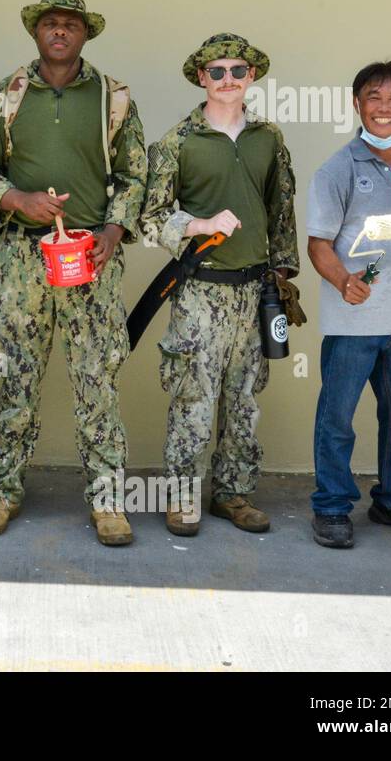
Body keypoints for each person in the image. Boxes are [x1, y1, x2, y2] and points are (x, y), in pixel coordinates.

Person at [0, 0, 147, 546]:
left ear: (86, 34)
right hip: (22, 256)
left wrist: (115, 229)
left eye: (71, 24)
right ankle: (3, 489)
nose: (60, 31)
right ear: (35, 33)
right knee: (14, 376)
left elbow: (135, 174)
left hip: (90, 255)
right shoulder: (8, 96)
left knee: (97, 379)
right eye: (50, 24)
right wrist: (17, 200)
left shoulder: (112, 98)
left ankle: (108, 500)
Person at [140, 33, 300, 537]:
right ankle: (183, 496)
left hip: (255, 289)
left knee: (245, 396)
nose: (227, 79)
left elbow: (281, 210)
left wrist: (282, 274)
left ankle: (233, 493)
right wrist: (199, 225)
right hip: (201, 288)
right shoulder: (176, 143)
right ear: (200, 78)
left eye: (238, 70)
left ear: (251, 76)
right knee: (193, 396)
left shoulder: (268, 138)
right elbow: (151, 218)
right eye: (217, 72)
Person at [306, 60, 391, 549]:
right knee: (338, 419)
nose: (385, 107)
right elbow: (318, 243)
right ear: (357, 104)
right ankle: (332, 507)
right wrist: (343, 281)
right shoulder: (338, 169)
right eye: (374, 97)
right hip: (354, 320)